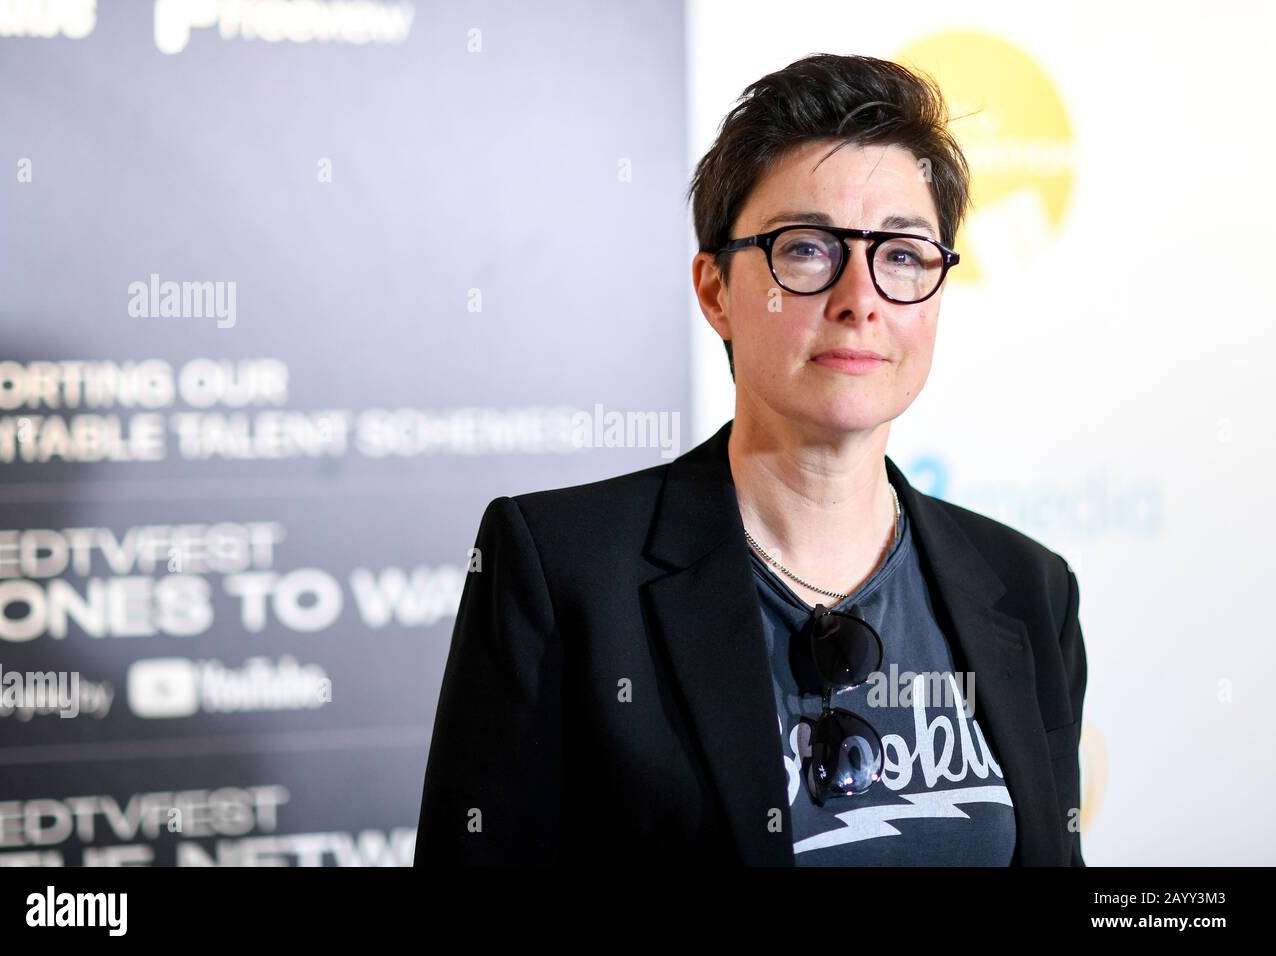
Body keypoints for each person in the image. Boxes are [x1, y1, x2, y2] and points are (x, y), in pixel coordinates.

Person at [414, 53, 1087, 866]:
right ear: (716, 290)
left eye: (903, 255)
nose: (860, 299)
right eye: (806, 250)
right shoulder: (564, 572)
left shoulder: (1025, 587)